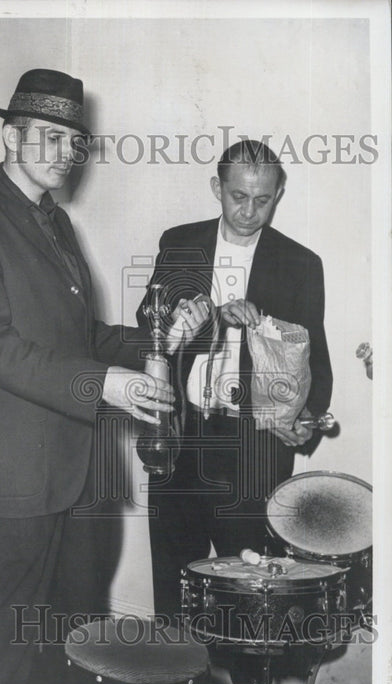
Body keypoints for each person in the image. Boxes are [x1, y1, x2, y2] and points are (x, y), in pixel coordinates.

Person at [0, 68, 203, 684]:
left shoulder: (54, 221)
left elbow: (84, 338)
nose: (61, 152)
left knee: (71, 629)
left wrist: (163, 339)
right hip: (17, 474)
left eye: (71, 140)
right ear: (10, 135)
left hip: (80, 473)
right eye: (47, 136)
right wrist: (105, 387)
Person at [138, 140, 333, 622]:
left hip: (253, 450)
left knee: (249, 592)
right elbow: (150, 327)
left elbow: (317, 362)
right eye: (237, 196)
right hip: (180, 442)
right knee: (174, 584)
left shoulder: (300, 263)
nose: (248, 211)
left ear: (278, 193)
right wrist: (210, 318)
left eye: (262, 199)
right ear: (216, 188)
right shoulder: (179, 243)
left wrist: (304, 417)